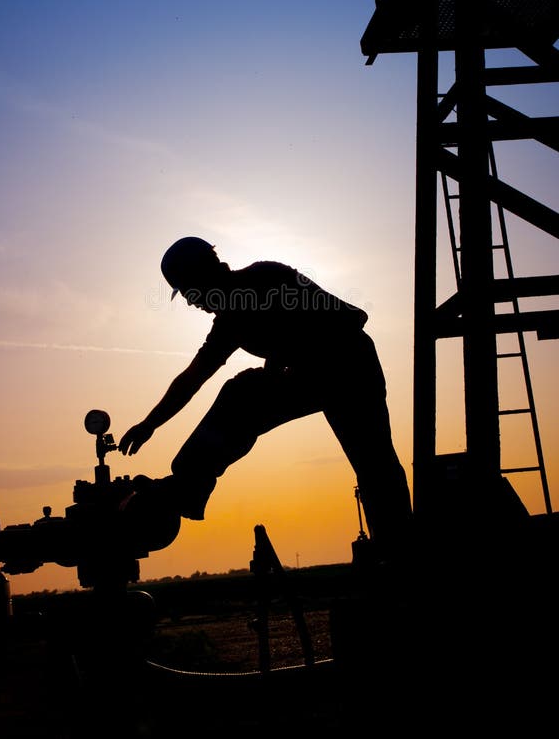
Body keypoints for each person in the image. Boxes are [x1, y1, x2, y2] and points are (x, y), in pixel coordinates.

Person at [118, 237, 413, 558]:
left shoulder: (265, 277)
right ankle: (186, 484)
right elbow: (192, 378)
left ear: (203, 275)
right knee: (244, 393)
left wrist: (277, 365)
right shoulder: (229, 322)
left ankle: (399, 548)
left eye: (189, 292)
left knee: (374, 462)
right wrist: (150, 424)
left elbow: (337, 321)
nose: (191, 302)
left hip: (350, 366)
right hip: (316, 374)